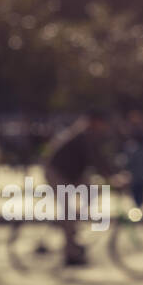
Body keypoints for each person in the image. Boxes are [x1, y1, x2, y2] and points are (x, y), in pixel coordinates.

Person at [45, 111, 111, 264]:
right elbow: (96, 160)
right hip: (57, 173)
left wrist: (111, 176)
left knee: (94, 190)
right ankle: (71, 253)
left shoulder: (89, 135)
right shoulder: (83, 135)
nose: (104, 127)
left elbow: (100, 159)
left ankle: (73, 220)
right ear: (94, 122)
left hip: (72, 174)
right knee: (67, 212)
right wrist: (110, 177)